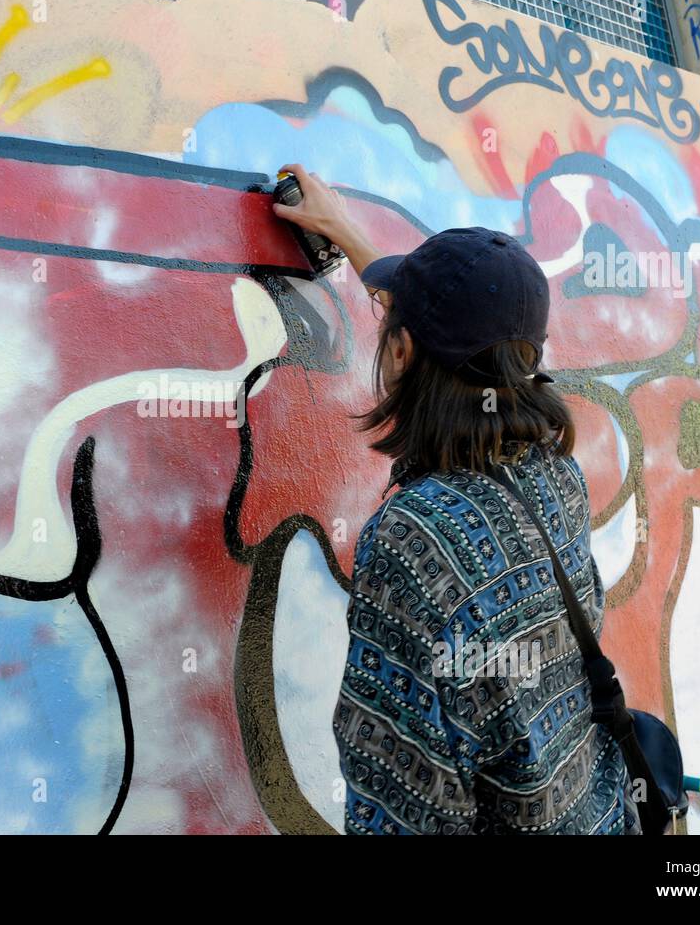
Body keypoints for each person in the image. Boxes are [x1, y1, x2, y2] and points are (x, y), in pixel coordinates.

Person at [273, 164, 641, 835]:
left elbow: (403, 795)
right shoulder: (555, 474)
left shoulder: (415, 540)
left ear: (404, 351)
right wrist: (348, 233)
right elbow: (446, 327)